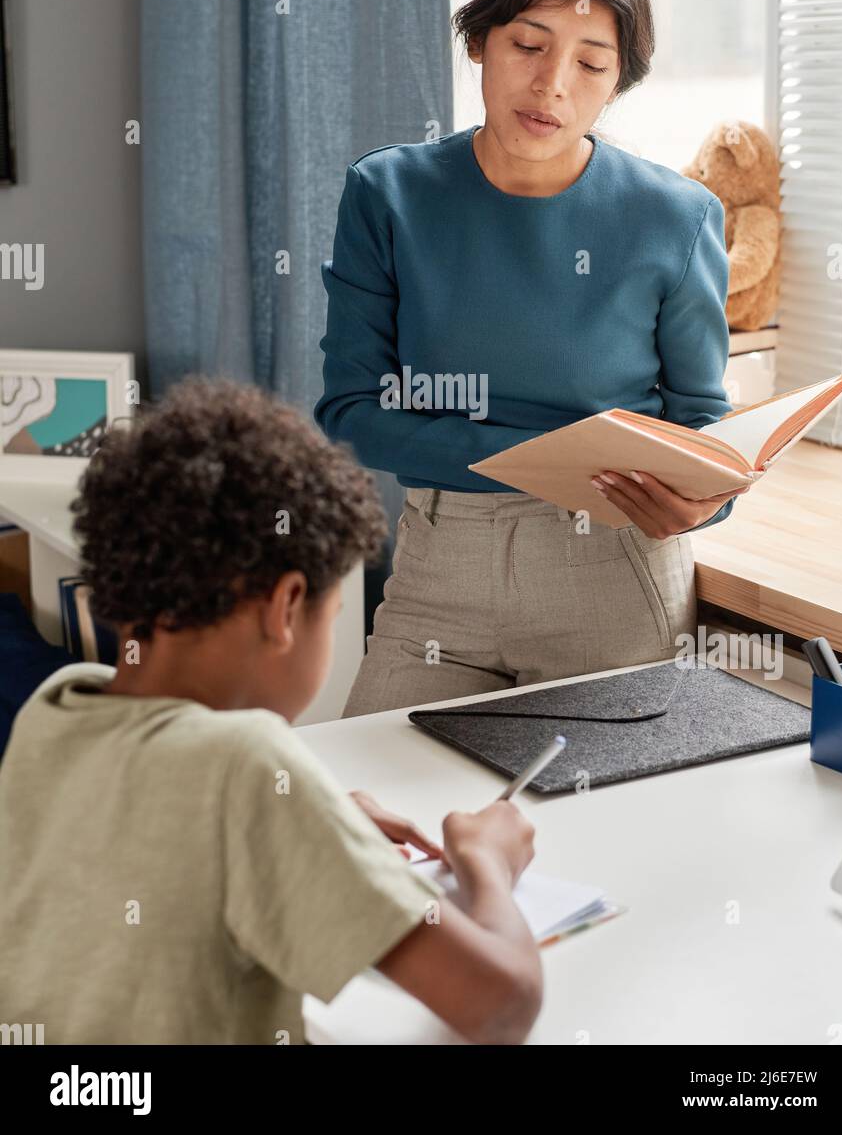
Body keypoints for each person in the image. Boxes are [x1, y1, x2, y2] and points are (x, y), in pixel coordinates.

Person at [0, 377, 542, 1046]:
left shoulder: (57, 709)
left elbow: (151, 827)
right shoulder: (244, 764)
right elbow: (499, 1006)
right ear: (287, 607)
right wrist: (489, 860)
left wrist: (314, 819)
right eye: (334, 611)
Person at [314, 0, 749, 718]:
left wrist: (706, 500)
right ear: (479, 42)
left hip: (612, 574)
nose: (553, 84)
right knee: (369, 823)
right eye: (528, 44)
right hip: (437, 572)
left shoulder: (676, 217)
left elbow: (700, 425)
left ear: (616, 83)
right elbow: (351, 415)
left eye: (589, 63)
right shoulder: (389, 194)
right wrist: (551, 456)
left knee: (602, 831)